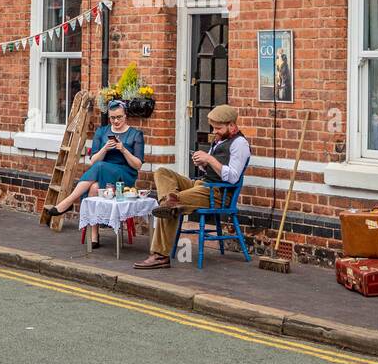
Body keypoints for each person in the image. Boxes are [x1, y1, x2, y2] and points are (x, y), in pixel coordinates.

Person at [133, 104, 249, 270]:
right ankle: (170, 201)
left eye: (218, 128)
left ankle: (160, 255)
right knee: (162, 172)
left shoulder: (240, 144)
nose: (214, 131)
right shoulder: (219, 140)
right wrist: (202, 164)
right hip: (201, 184)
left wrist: (209, 159)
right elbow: (212, 169)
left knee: (171, 205)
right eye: (213, 127)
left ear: (232, 125)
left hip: (217, 193)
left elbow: (232, 177)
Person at [42, 99, 145, 246]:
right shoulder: (102, 132)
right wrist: (105, 149)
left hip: (124, 177)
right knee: (94, 187)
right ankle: (94, 235)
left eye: (119, 117)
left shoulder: (135, 134)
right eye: (112, 118)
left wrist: (123, 149)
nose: (116, 121)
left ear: (125, 115)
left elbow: (137, 165)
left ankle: (68, 201)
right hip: (101, 173)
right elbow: (94, 161)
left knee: (101, 167)